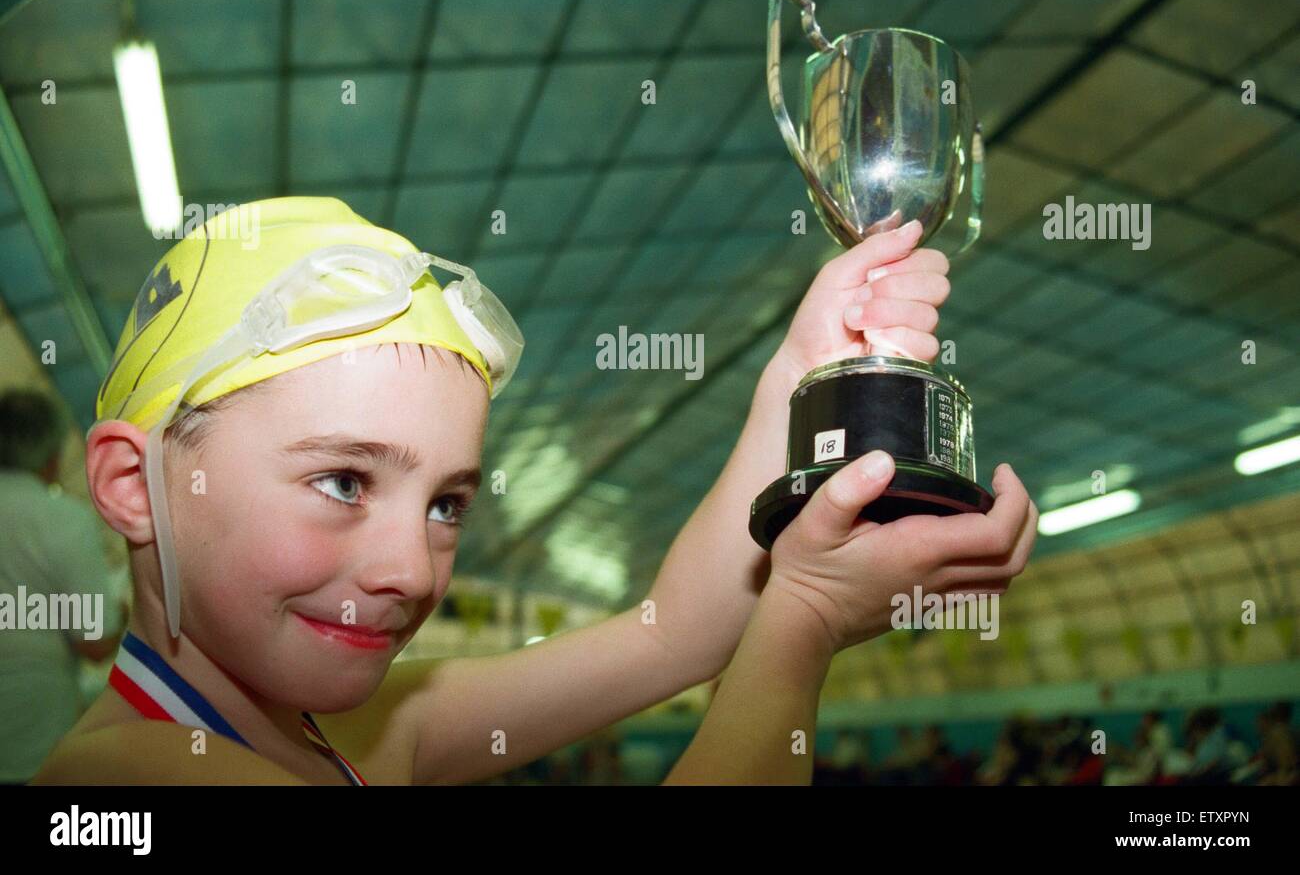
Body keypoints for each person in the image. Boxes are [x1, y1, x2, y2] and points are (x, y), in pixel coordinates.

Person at [31, 197, 1035, 785]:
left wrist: (796, 379)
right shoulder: (120, 784)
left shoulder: (357, 731)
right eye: (342, 480)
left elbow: (666, 635)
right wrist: (804, 619)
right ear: (129, 483)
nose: (407, 571)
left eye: (446, 504)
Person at [0, 389, 128, 784]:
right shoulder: (62, 520)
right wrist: (124, 612)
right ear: (54, 456)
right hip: (30, 732)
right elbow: (95, 643)